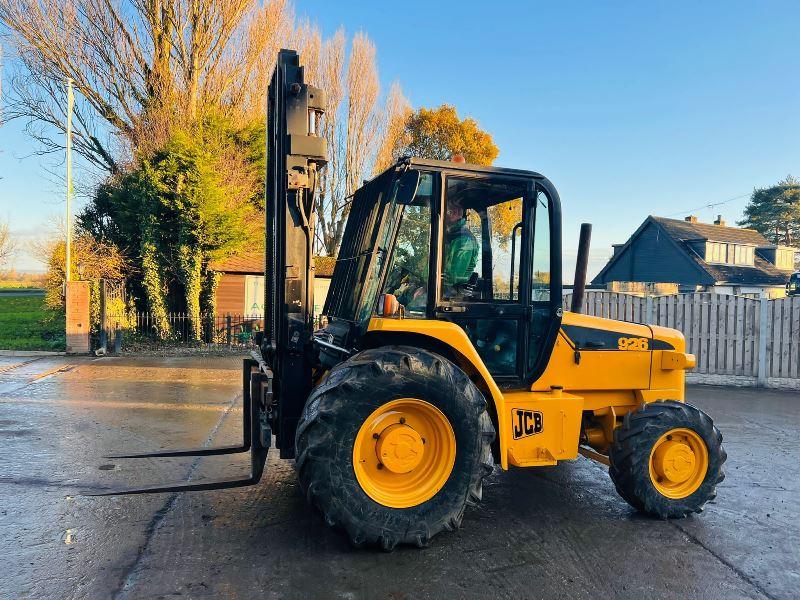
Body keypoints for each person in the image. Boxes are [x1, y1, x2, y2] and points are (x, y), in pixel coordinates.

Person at [442, 198, 479, 293]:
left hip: (451, 292)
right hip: (445, 288)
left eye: (443, 212)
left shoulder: (463, 239)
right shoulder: (452, 235)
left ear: (452, 213)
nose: (442, 216)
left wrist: (428, 287)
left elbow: (454, 276)